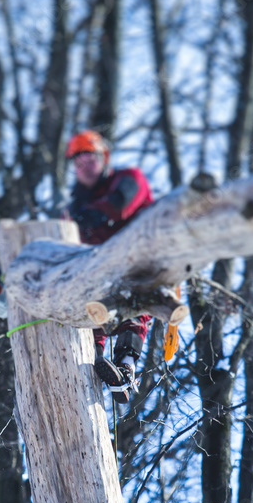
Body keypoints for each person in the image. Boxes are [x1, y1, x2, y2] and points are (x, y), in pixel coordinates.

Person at [64, 129, 154, 403]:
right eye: (79, 165)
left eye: (90, 160)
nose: (85, 168)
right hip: (99, 273)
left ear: (104, 158)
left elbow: (120, 205)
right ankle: (95, 360)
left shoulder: (128, 180)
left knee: (133, 305)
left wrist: (84, 217)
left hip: (138, 261)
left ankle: (126, 368)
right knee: (88, 311)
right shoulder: (76, 204)